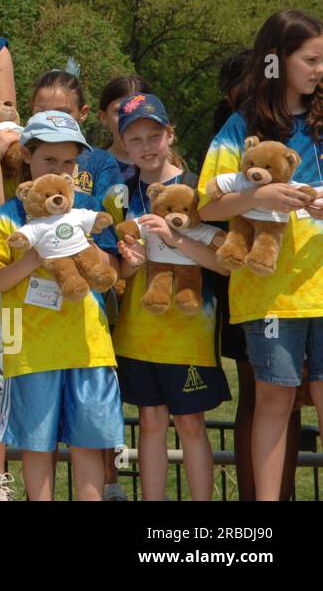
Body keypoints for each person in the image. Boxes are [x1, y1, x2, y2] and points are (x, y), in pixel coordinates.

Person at [198, 9, 323, 501]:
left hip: (320, 283)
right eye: (311, 60)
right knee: (274, 398)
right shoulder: (241, 123)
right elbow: (207, 203)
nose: (319, 70)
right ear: (277, 60)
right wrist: (258, 198)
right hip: (267, 291)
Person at [0, 112, 125, 500]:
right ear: (27, 155)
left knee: (88, 445)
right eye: (49, 160)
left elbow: (110, 267)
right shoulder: (10, 215)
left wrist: (86, 248)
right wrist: (32, 260)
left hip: (88, 348)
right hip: (32, 353)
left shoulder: (88, 208)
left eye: (69, 163)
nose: (60, 170)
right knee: (36, 447)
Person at [112, 93, 230, 501]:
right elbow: (121, 272)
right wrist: (129, 263)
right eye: (135, 138)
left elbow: (225, 263)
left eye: (154, 135)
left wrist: (174, 237)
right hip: (137, 331)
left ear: (169, 134)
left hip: (188, 333)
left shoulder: (199, 191)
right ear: (123, 144)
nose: (146, 145)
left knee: (191, 423)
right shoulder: (120, 194)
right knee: (149, 422)